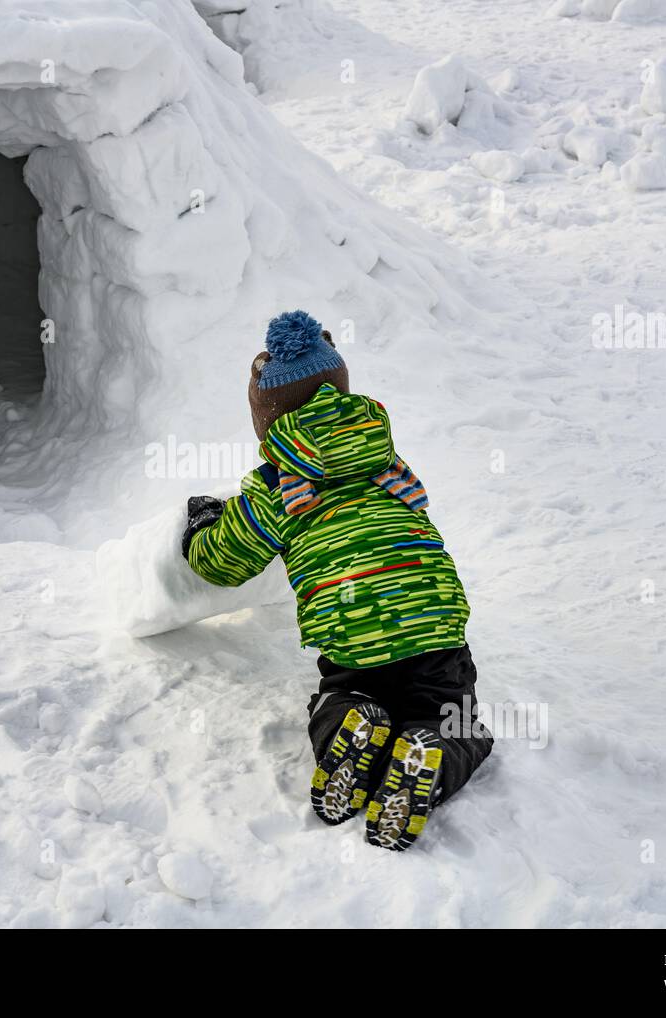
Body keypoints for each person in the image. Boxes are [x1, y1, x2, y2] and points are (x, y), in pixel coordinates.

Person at [182, 310, 493, 851]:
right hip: (435, 627)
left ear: (268, 421)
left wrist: (204, 526)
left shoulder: (280, 486)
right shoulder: (385, 462)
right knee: (452, 715)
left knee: (342, 694)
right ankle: (432, 749)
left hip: (354, 640)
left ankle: (351, 720)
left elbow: (223, 562)